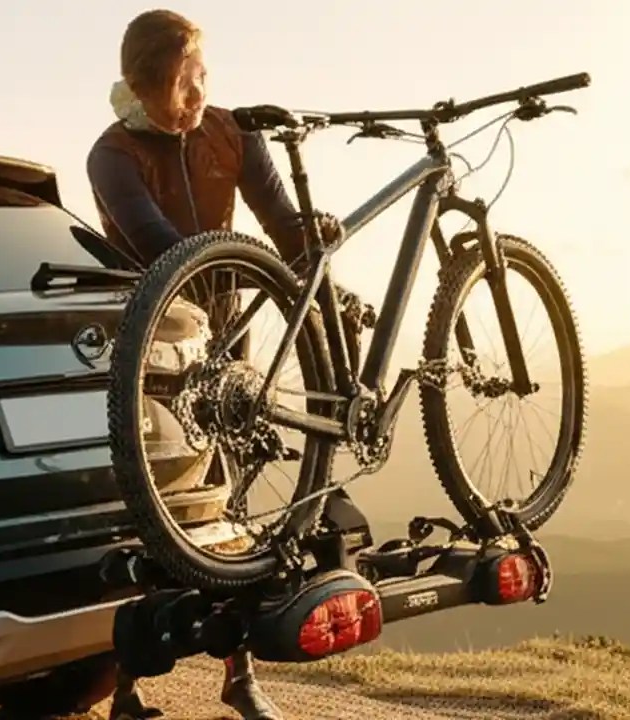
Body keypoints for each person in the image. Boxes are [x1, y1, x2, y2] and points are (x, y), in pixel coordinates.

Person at [86, 9, 362, 720]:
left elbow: (281, 226)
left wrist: (315, 245)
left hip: (231, 345)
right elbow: (156, 242)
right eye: (185, 80)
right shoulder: (112, 154)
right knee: (156, 511)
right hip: (154, 346)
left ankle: (239, 675)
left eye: (204, 73)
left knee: (233, 504)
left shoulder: (232, 132)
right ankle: (125, 684)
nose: (201, 90)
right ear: (144, 84)